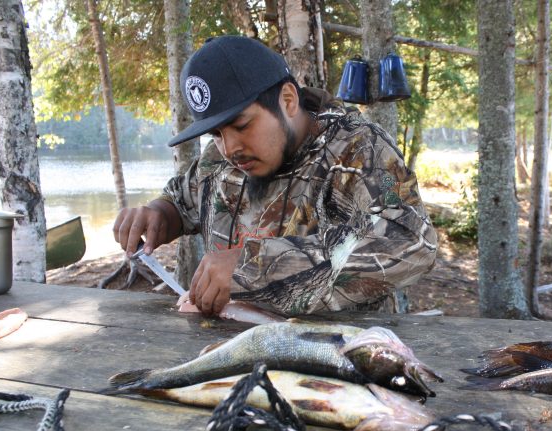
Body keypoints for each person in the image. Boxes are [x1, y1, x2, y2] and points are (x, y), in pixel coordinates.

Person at [113, 35, 437, 316]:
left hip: (336, 357)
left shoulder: (355, 149)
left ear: (288, 100)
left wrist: (252, 264)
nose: (229, 148)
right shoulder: (220, 157)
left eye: (241, 125)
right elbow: (182, 200)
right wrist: (157, 214)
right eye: (215, 133)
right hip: (229, 347)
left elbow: (412, 244)